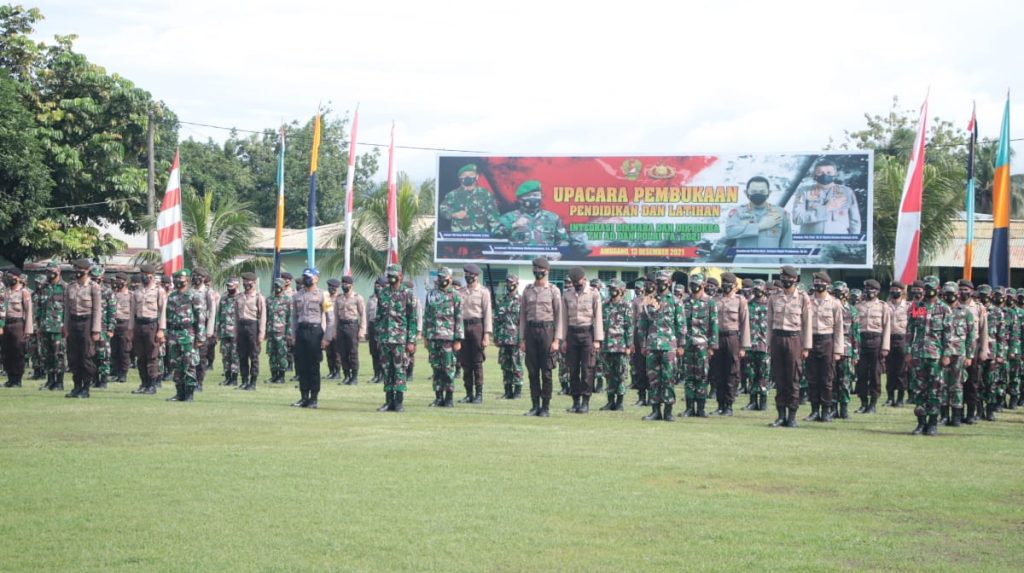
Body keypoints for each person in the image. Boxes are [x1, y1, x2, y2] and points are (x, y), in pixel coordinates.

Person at [906, 276, 954, 435]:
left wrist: (946, 354)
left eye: (931, 288)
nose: (928, 291)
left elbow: (949, 335)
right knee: (919, 390)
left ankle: (933, 424)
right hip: (919, 354)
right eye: (926, 288)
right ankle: (920, 423)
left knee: (935, 390)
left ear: (937, 289)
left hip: (936, 356)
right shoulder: (917, 307)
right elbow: (910, 331)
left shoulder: (944, 309)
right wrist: (908, 352)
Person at [638, 269, 686, 421]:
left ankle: (668, 411)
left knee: (668, 379)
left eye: (663, 282)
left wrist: (681, 345)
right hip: (652, 345)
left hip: (669, 346)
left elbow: (681, 325)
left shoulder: (676, 301)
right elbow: (642, 324)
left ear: (669, 283)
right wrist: (643, 344)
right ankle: (655, 410)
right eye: (657, 282)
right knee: (653, 379)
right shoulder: (648, 301)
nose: (660, 285)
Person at [767, 266, 812, 428]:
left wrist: (806, 347)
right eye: (782, 277)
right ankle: (780, 416)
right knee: (779, 378)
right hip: (778, 338)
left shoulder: (802, 298)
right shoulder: (774, 297)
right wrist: (769, 344)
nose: (785, 280)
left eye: (788, 278)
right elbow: (769, 323)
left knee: (793, 379)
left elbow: (807, 323)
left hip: (794, 339)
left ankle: (792, 416)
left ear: (795, 279)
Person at [519, 257, 563, 417]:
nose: (537, 272)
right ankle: (534, 405)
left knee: (546, 371)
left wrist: (557, 340)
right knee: (532, 371)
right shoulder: (527, 290)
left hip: (547, 332)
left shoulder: (554, 290)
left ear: (547, 271)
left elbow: (559, 316)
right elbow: (522, 316)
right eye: (535, 269)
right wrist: (522, 339)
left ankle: (545, 406)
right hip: (530, 332)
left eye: (540, 269)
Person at [560, 267, 603, 414]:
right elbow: (563, 319)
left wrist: (597, 340)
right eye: (573, 282)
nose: (576, 284)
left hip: (587, 333)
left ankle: (585, 402)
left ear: (584, 279)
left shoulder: (593, 294)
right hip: (572, 333)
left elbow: (598, 317)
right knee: (572, 369)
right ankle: (575, 402)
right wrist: (563, 339)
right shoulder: (566, 294)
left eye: (578, 281)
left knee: (587, 369)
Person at [289, 268, 334, 409]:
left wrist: (327, 337)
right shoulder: (297, 295)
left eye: (308, 277)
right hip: (301, 331)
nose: (305, 279)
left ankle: (313, 398)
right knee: (302, 366)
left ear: (316, 279)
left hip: (315, 332)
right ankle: (303, 397)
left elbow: (330, 318)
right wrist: (293, 334)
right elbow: (294, 318)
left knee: (313, 366)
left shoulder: (323, 295)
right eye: (304, 277)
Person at [374, 264, 417, 413]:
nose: (391, 278)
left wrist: (411, 341)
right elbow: (379, 317)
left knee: (400, 370)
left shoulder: (408, 294)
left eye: (394, 275)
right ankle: (388, 401)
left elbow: (412, 319)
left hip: (400, 340)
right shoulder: (383, 293)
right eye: (389, 275)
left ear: (400, 276)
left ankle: (398, 402)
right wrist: (378, 338)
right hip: (386, 339)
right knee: (387, 370)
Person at [493, 180, 581, 250]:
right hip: (518, 265)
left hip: (545, 265)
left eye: (537, 195)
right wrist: (514, 225)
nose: (534, 198)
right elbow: (495, 236)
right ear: (520, 199)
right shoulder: (508, 217)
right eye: (530, 195)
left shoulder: (552, 218)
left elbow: (563, 240)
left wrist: (559, 253)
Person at [723, 176, 793, 264]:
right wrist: (759, 226)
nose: (758, 194)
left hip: (771, 267)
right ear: (746, 193)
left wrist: (788, 267)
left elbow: (786, 244)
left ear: (769, 193)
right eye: (754, 192)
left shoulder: (781, 213)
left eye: (762, 192)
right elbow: (730, 232)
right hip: (743, 267)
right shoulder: (738, 212)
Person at [804, 271, 843, 422]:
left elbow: (839, 328)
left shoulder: (835, 303)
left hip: (828, 341)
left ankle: (826, 410)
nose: (818, 284)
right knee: (812, 378)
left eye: (822, 282)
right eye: (816, 282)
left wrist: (838, 350)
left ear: (827, 284)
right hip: (811, 340)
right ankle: (814, 410)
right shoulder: (807, 301)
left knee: (827, 379)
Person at [423, 267, 463, 407]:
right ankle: (438, 397)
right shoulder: (431, 295)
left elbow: (459, 318)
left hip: (448, 338)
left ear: (450, 279)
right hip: (434, 337)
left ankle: (449, 398)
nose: (442, 280)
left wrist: (458, 339)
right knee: (436, 368)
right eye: (440, 277)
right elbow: (427, 316)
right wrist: (425, 337)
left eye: (444, 278)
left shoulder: (455, 295)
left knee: (448, 368)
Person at [164, 269, 206, 402]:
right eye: (175, 279)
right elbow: (168, 317)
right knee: (176, 364)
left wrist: (200, 337)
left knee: (189, 364)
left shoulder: (194, 296)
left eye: (180, 279)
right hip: (173, 334)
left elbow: (200, 317)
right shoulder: (171, 296)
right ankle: (179, 393)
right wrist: (166, 334)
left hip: (189, 334)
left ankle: (189, 394)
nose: (178, 282)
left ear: (187, 280)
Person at [791, 158, 862, 234]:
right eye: (820, 172)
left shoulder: (847, 192)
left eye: (829, 172)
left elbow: (855, 220)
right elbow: (797, 219)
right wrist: (826, 209)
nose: (825, 175)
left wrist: (854, 241)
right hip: (810, 242)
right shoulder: (803, 191)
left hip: (838, 243)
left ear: (835, 173)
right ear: (814, 174)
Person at [712, 272, 750, 416]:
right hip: (717, 338)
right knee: (718, 372)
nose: (725, 286)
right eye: (723, 283)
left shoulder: (740, 300)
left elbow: (744, 323)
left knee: (732, 372)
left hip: (733, 338)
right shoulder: (715, 300)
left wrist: (743, 346)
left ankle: (728, 405)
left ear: (734, 286)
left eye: (728, 283)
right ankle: (720, 404)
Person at [64, 259, 102, 398]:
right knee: (74, 356)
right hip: (73, 323)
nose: (76, 272)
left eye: (79, 269)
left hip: (87, 322)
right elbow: (67, 309)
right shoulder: (71, 286)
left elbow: (98, 309)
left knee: (86, 356)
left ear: (86, 270)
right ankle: (76, 386)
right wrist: (66, 326)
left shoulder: (94, 287)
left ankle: (86, 388)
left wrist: (96, 330)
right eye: (75, 269)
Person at [682, 273, 717, 418]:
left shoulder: (709, 302)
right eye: (692, 284)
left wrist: (712, 346)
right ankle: (689, 407)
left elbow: (714, 324)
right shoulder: (685, 302)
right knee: (689, 376)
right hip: (688, 344)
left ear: (703, 285)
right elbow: (681, 324)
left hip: (703, 345)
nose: (694, 287)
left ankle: (701, 408)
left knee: (702, 376)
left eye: (696, 284)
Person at [854, 279, 891, 414]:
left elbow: (887, 327)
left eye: (872, 289)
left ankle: (873, 403)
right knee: (861, 373)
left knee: (875, 374)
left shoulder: (883, 306)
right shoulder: (858, 306)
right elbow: (854, 327)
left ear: (877, 291)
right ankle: (863, 402)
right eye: (867, 289)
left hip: (876, 341)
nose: (869, 292)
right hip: (861, 342)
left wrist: (885, 347)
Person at [941, 281, 975, 427]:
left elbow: (971, 335)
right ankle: (943, 416)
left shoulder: (966, 312)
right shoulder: (939, 309)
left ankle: (956, 416)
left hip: (959, 353)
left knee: (957, 385)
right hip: (941, 353)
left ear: (957, 294)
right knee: (942, 384)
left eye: (952, 293)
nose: (949, 296)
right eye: (946, 293)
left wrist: (969, 355)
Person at [129, 264, 166, 395]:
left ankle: (152, 384)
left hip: (152, 325)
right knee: (140, 356)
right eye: (142, 273)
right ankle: (143, 383)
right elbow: (132, 311)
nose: (144, 276)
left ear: (152, 275)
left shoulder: (159, 291)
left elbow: (162, 312)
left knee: (152, 356)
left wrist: (161, 329)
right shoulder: (137, 291)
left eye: (147, 274)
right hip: (139, 325)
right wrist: (131, 329)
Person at [459, 263, 492, 403]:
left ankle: (479, 394)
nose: (468, 277)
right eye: (466, 274)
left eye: (470, 275)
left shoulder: (483, 292)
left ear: (476, 276)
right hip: (463, 327)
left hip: (477, 327)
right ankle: (468, 393)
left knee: (477, 362)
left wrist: (486, 334)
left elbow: (487, 313)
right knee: (465, 363)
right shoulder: (461, 291)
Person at [598, 279, 632, 411]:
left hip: (621, 346)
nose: (612, 291)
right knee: (609, 375)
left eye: (614, 288)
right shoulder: (604, 305)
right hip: (607, 346)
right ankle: (610, 401)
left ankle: (620, 402)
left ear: (621, 290)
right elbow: (600, 325)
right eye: (610, 288)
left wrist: (629, 346)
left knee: (621, 375)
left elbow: (629, 327)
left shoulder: (626, 306)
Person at [439, 163, 500, 234]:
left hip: (481, 237)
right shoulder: (452, 195)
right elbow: (442, 210)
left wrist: (497, 233)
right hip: (459, 237)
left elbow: (494, 216)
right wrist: (454, 214)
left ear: (477, 176)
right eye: (464, 175)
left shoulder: (485, 194)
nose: (467, 177)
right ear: (460, 178)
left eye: (471, 174)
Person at [959, 280, 988, 424]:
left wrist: (984, 350)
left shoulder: (978, 308)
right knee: (955, 382)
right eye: (961, 289)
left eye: (965, 289)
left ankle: (971, 413)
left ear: (971, 291)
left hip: (973, 347)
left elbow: (984, 331)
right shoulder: (952, 306)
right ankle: (957, 413)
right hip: (956, 347)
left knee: (972, 382)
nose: (963, 292)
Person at [832, 281, 859, 419]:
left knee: (845, 380)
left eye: (841, 292)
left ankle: (844, 408)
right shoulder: (829, 307)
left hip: (847, 349)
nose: (839, 294)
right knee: (832, 379)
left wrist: (856, 353)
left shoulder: (852, 310)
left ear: (846, 293)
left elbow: (856, 333)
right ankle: (833, 408)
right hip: (831, 348)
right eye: (836, 291)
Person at [494, 274, 523, 400]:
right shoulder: (501, 301)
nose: (509, 285)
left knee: (517, 365)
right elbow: (497, 320)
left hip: (516, 339)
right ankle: (507, 391)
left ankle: (517, 391)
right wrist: (496, 336)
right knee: (505, 366)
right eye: (507, 283)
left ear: (517, 284)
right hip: (504, 338)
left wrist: (523, 339)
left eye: (511, 283)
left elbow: (523, 322)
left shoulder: (522, 301)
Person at [1, 269, 33, 388]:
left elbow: (28, 312)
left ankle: (17, 379)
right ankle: (10, 378)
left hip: (18, 324)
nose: (9, 278)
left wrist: (28, 330)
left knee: (18, 352)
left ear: (18, 278)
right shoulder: (5, 292)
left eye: (11, 276)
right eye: (8, 276)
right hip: (6, 324)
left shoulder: (24, 293)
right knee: (6, 352)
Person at [743, 279, 770, 411]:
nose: (757, 291)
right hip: (751, 344)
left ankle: (763, 400)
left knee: (763, 373)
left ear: (764, 289)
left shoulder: (770, 305)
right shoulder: (748, 305)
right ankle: (753, 401)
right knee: (751, 373)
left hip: (765, 345)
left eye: (760, 289)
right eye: (756, 289)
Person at [236, 272, 266, 391]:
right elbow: (235, 316)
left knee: (253, 355)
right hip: (241, 326)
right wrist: (235, 331)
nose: (246, 284)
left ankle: (253, 382)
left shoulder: (259, 297)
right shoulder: (239, 297)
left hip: (253, 326)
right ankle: (244, 381)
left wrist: (261, 333)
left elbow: (263, 316)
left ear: (254, 283)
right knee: (242, 355)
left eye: (248, 282)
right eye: (244, 281)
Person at [334, 275, 366, 385]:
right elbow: (336, 315)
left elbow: (363, 315)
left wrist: (362, 330)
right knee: (342, 352)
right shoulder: (339, 298)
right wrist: (334, 330)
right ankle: (346, 376)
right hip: (341, 326)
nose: (344, 286)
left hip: (352, 326)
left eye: (346, 284)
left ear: (351, 285)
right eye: (343, 284)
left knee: (353, 352)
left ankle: (354, 377)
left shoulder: (358, 298)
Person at [885, 281, 911, 407]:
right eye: (893, 289)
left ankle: (900, 398)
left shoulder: (909, 306)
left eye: (897, 289)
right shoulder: (885, 306)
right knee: (890, 370)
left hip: (903, 339)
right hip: (888, 338)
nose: (895, 291)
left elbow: (921, 319)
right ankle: (890, 398)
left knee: (902, 370)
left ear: (903, 291)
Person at [631, 274, 655, 406]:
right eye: (646, 284)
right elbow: (633, 321)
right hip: (639, 335)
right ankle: (641, 397)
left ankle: (652, 396)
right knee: (639, 367)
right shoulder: (637, 301)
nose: (648, 286)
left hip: (654, 335)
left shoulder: (658, 300)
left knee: (652, 368)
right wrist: (631, 341)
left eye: (650, 283)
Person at [91, 265, 116, 389]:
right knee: (91, 354)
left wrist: (111, 328)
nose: (95, 281)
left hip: (103, 327)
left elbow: (112, 311)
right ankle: (93, 379)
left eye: (97, 278)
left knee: (104, 354)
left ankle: (104, 380)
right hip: (89, 327)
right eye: (93, 278)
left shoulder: (107, 291)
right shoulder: (88, 289)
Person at [265, 278, 291, 384]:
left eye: (279, 286)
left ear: (283, 287)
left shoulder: (288, 300)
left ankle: (281, 376)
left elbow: (290, 318)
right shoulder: (269, 299)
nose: (277, 288)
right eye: (275, 286)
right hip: (271, 331)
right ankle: (274, 375)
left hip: (282, 332)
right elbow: (265, 316)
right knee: (272, 354)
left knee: (282, 354)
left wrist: (289, 333)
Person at [217, 277, 241, 387]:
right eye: (228, 286)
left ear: (237, 286)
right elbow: (219, 315)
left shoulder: (241, 298)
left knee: (235, 356)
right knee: (225, 356)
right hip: (224, 331)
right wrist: (217, 331)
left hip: (236, 332)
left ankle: (234, 378)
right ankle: (227, 377)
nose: (229, 288)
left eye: (232, 286)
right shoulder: (223, 298)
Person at [110, 273, 132, 383]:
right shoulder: (112, 294)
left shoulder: (131, 295)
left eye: (120, 280)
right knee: (114, 350)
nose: (117, 282)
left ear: (126, 282)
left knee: (124, 350)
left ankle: (123, 373)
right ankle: (114, 372)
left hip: (125, 324)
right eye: (116, 280)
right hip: (113, 323)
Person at [366, 277, 386, 384]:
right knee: (373, 352)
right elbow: (367, 315)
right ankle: (376, 374)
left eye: (379, 286)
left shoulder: (387, 298)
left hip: (382, 327)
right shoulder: (371, 299)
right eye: (376, 286)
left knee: (381, 352)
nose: (377, 288)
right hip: (372, 326)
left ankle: (383, 375)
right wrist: (366, 331)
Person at [325, 278, 342, 379]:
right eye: (330, 286)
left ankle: (337, 372)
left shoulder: (340, 298)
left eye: (333, 287)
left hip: (336, 328)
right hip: (327, 328)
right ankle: (331, 371)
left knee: (337, 352)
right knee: (329, 351)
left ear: (337, 288)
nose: (331, 288)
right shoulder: (326, 298)